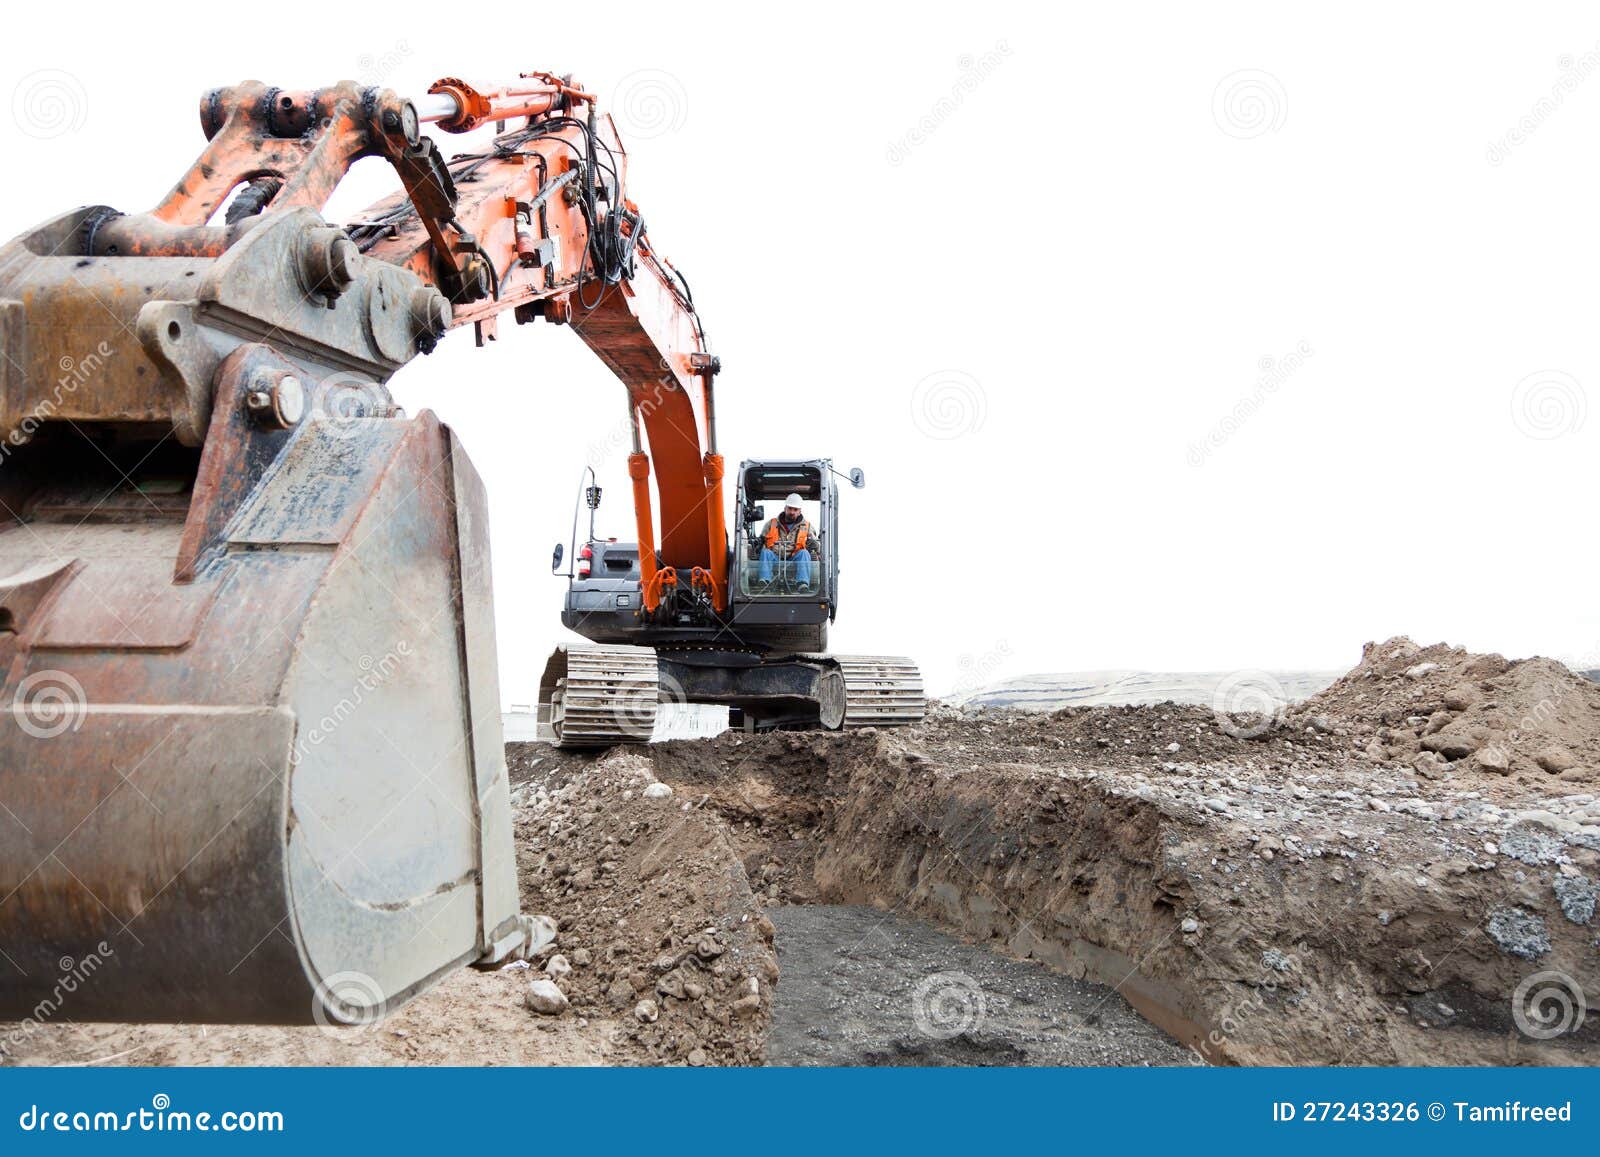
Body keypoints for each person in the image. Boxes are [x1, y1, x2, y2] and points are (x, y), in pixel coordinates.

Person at [758, 493, 815, 592]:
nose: (792, 512)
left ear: (800, 511)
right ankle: (765, 581)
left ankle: (802, 583)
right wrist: (757, 544)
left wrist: (814, 545)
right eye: (790, 508)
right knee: (766, 552)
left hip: (795, 559)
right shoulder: (771, 524)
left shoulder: (807, 526)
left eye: (795, 509)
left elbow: (815, 546)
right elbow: (760, 540)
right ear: (785, 508)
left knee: (804, 553)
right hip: (775, 557)